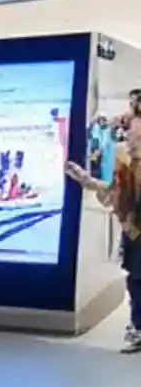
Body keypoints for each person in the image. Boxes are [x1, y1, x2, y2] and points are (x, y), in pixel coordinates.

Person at [67, 142, 141, 353]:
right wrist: (86, 180)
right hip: (134, 235)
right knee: (135, 281)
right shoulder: (126, 160)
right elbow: (114, 193)